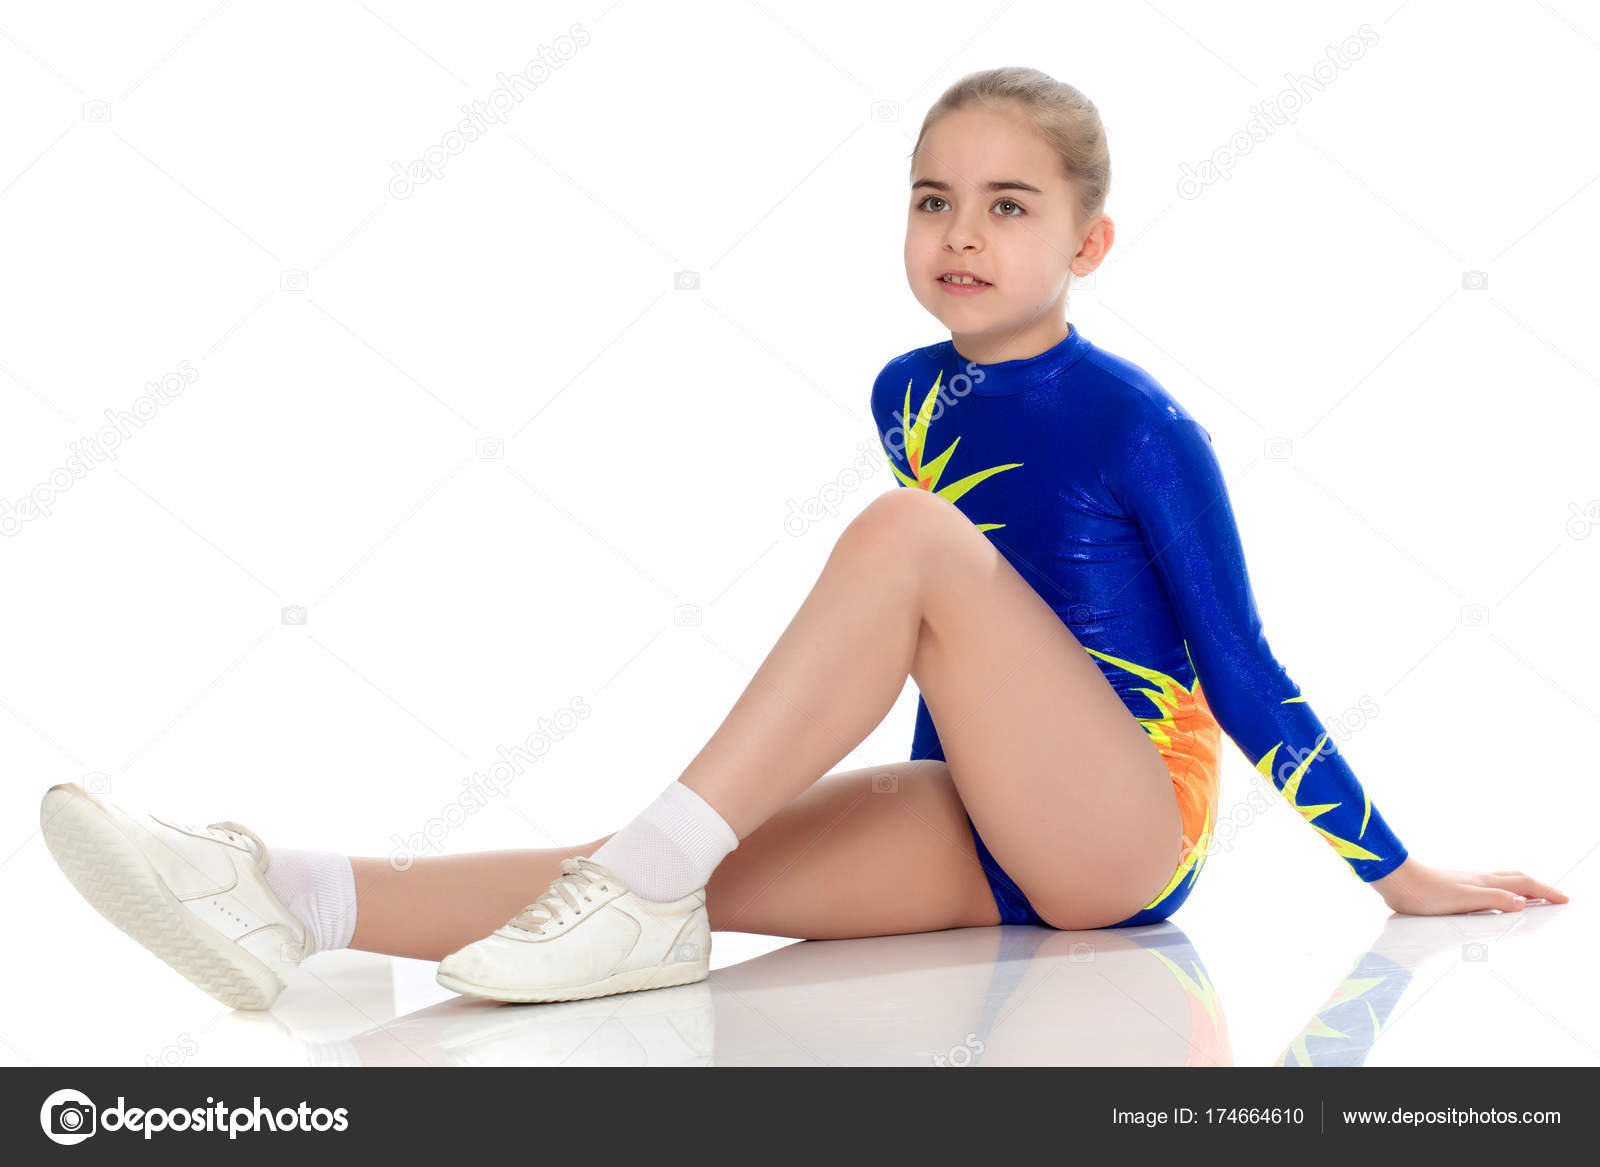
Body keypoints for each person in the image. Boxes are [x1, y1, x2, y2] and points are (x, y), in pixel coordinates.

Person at [39, 67, 1568, 1013]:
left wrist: (1395, 870)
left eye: (1009, 206)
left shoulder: (1139, 423)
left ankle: (639, 889)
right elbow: (954, 653)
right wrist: (893, 803)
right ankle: (289, 898)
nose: (962, 236)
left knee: (896, 548)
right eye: (932, 200)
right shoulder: (910, 390)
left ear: (1087, 244)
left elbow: (1235, 662)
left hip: (1123, 827)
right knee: (657, 874)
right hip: (980, 805)